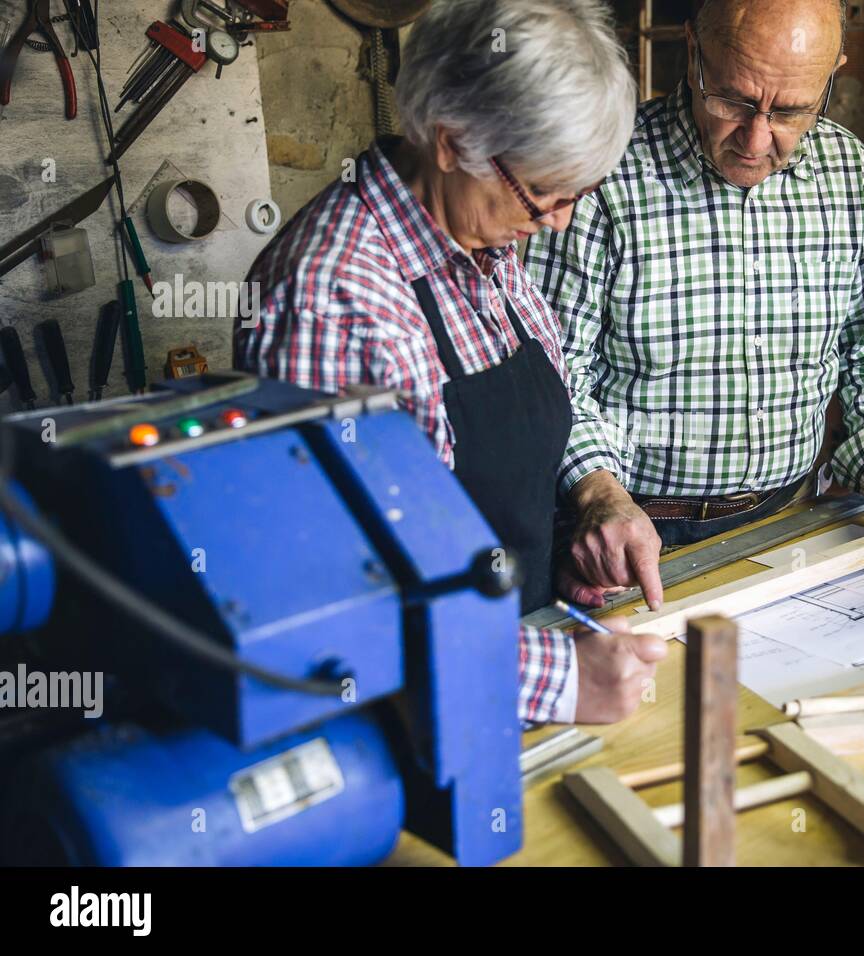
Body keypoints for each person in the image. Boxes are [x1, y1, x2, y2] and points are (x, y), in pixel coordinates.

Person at [233, 0, 665, 726]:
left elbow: (477, 491)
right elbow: (334, 596)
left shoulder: (485, 241)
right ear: (450, 140)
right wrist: (559, 679)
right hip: (405, 723)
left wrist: (564, 546)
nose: (559, 219)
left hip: (510, 660)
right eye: (544, 192)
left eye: (577, 192)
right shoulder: (329, 297)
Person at [527, 0, 864, 612]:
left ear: (833, 73)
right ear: (693, 50)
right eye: (732, 99)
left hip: (792, 518)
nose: (757, 139)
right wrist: (598, 495)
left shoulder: (847, 172)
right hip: (631, 533)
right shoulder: (604, 169)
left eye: (792, 111)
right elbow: (553, 371)